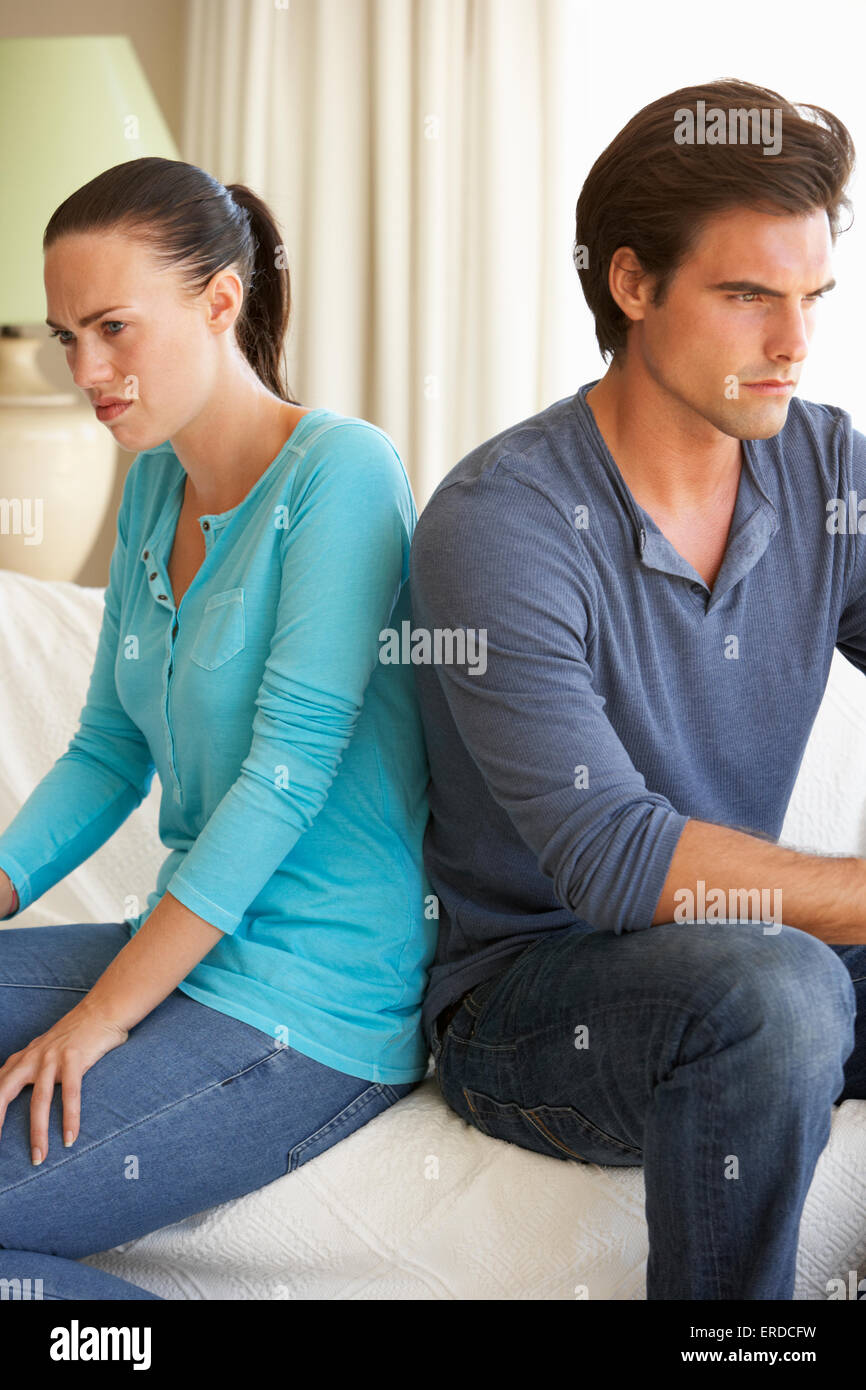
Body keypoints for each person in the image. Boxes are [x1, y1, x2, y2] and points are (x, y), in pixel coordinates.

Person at [410, 78, 866, 1300]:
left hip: (740, 956)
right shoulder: (501, 521)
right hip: (531, 997)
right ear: (630, 285)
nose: (793, 344)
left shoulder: (824, 465)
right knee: (776, 987)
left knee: (778, 976)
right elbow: (613, 857)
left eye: (811, 298)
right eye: (746, 297)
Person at [0, 156, 435, 1300]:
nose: (87, 372)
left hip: (312, 1003)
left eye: (113, 329)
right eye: (65, 336)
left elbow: (286, 778)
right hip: (183, 951)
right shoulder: (151, 482)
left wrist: (98, 1020)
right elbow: (107, 746)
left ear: (221, 301)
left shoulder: (342, 473)